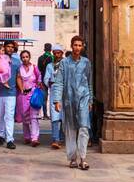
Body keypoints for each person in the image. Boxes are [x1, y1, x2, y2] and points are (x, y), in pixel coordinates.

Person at [51, 34, 92, 170]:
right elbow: (59, 82)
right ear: (71, 46)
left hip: (83, 98)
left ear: (82, 47)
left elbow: (89, 82)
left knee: (84, 127)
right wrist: (57, 100)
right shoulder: (64, 63)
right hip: (68, 99)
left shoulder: (86, 62)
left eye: (80, 45)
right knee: (70, 129)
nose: (77, 48)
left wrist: (90, 99)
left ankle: (83, 158)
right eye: (75, 45)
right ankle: (73, 158)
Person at [15, 48, 43, 146]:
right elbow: (18, 78)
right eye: (23, 57)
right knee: (25, 118)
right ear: (21, 58)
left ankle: (34, 138)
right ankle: (27, 137)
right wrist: (21, 89)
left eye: (27, 57)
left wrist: (39, 85)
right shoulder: (19, 68)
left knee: (34, 117)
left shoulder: (34, 68)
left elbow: (39, 78)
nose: (25, 59)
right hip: (23, 95)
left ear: (29, 57)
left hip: (33, 95)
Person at [43, 44, 64, 149]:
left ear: (62, 53)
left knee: (64, 117)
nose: (57, 55)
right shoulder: (49, 66)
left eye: (59, 53)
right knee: (55, 117)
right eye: (55, 53)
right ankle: (55, 139)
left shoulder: (66, 64)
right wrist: (49, 83)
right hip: (54, 92)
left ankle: (61, 138)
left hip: (65, 93)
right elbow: (46, 78)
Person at [36, 43, 54, 117]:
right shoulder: (53, 57)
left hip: (43, 80)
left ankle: (45, 114)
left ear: (44, 49)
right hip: (53, 80)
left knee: (44, 98)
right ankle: (53, 114)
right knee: (54, 97)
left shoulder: (40, 58)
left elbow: (39, 70)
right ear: (51, 49)